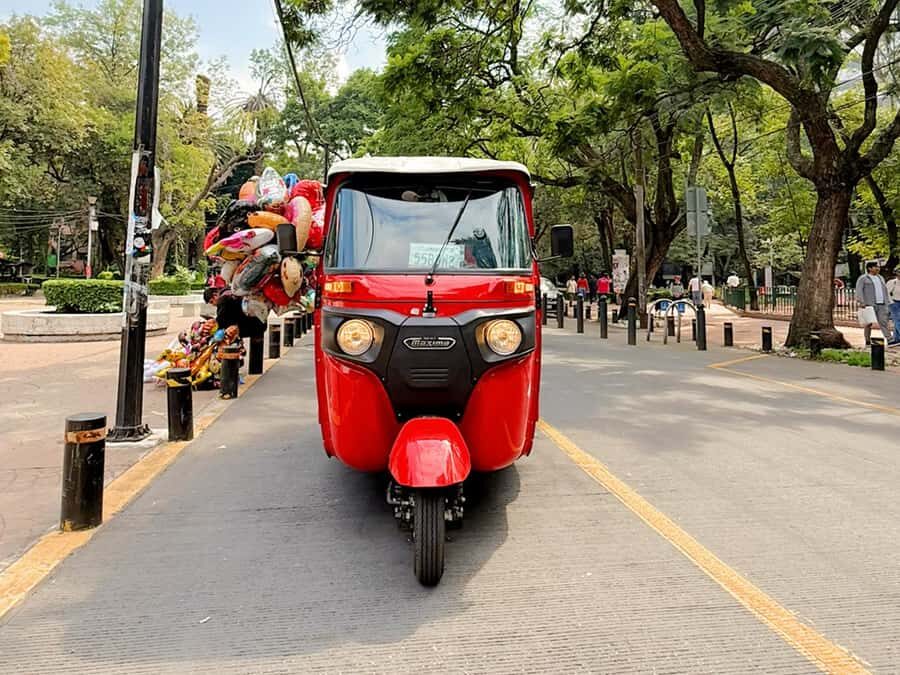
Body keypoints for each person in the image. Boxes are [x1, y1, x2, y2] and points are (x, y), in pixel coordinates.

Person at [855, 261, 892, 345]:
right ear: (869, 268)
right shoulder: (863, 278)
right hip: (869, 304)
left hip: (881, 304)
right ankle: (867, 340)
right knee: (868, 323)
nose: (878, 268)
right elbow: (859, 290)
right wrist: (861, 301)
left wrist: (888, 301)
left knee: (884, 322)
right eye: (876, 267)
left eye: (878, 267)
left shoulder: (880, 277)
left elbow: (885, 290)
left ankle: (889, 339)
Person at [887, 268, 900, 344]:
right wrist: (891, 302)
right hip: (894, 303)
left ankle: (896, 339)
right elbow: (886, 293)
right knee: (897, 320)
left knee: (897, 322)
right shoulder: (892, 282)